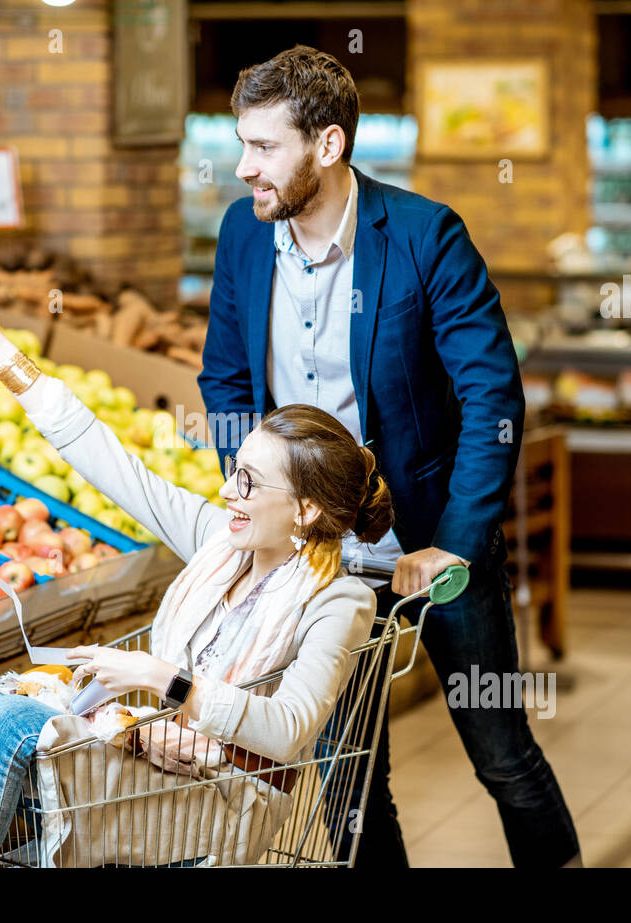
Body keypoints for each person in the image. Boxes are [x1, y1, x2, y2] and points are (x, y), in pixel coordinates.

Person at [0, 250, 396, 868]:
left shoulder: (341, 598)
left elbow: (289, 729)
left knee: (9, 724)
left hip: (218, 800)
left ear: (307, 511)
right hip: (151, 758)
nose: (228, 491)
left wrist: (163, 680)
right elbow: (109, 460)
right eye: (235, 472)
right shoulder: (218, 540)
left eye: (251, 484)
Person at [197, 46, 580, 867]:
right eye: (242, 143)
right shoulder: (243, 234)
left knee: (502, 756)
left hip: (436, 544)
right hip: (318, 561)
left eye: (263, 148)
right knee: (345, 774)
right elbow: (226, 380)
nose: (243, 168)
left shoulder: (423, 235)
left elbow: (492, 398)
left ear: (327, 146)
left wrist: (458, 541)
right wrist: (244, 504)